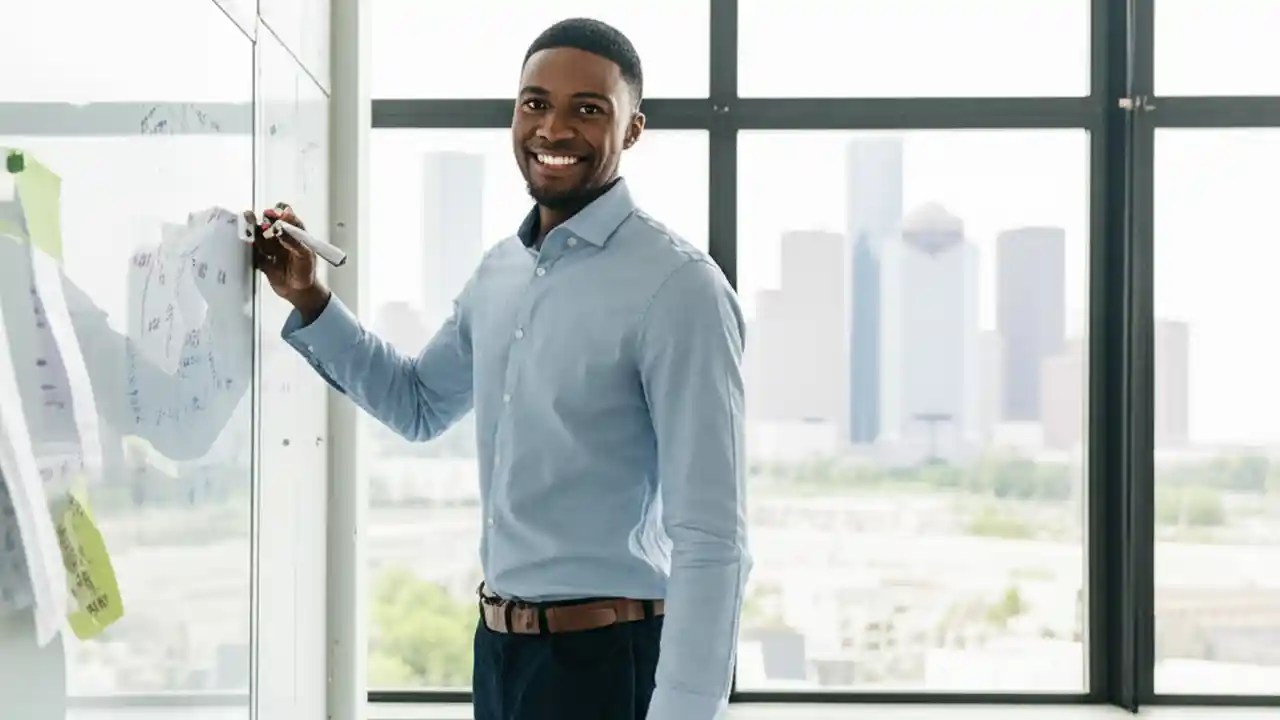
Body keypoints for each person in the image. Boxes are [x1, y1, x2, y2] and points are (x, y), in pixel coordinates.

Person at [252, 17, 751, 720]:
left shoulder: (679, 288)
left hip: (610, 664)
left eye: (588, 109)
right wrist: (309, 297)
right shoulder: (501, 272)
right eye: (535, 103)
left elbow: (712, 537)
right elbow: (419, 404)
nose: (553, 128)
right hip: (499, 656)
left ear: (633, 129)